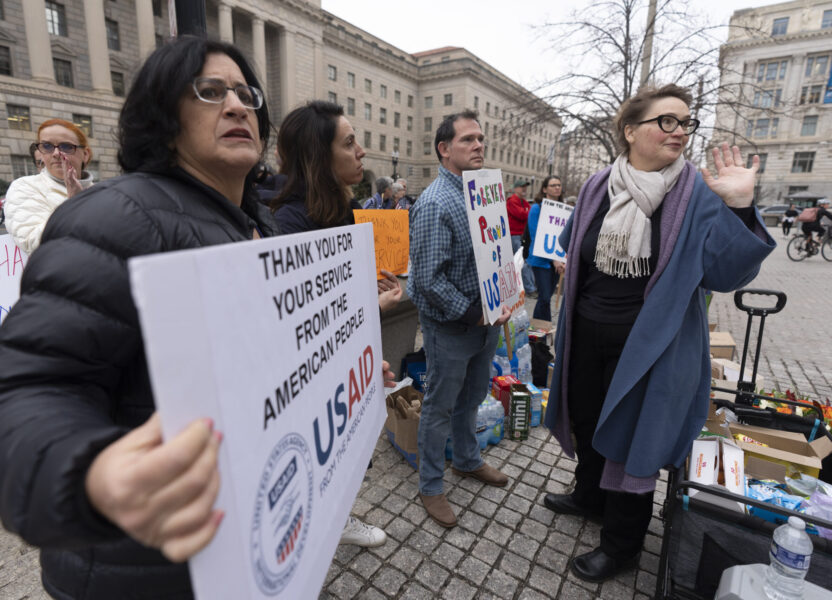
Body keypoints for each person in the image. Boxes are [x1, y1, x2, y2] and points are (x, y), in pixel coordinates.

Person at [542, 84, 774, 584]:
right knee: (585, 418)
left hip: (651, 347)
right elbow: (572, 243)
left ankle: (622, 545)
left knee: (632, 440)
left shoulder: (695, 195)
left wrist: (737, 207)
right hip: (585, 329)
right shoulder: (600, 183)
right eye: (666, 121)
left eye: (685, 123)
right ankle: (589, 497)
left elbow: (726, 275)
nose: (679, 131)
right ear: (630, 131)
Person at [271, 100, 396, 547]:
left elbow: (340, 302)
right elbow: (296, 323)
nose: (361, 152)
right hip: (307, 384)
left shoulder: (339, 210)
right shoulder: (286, 224)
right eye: (349, 143)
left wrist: (371, 299)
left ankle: (336, 519)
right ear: (318, 156)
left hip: (341, 371)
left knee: (344, 456)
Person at [408, 110, 512, 528]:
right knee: (439, 407)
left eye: (480, 139)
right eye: (468, 140)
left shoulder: (481, 192)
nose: (478, 146)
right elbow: (428, 281)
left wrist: (505, 293)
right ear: (444, 149)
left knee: (471, 399)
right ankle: (431, 486)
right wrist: (474, 313)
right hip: (452, 327)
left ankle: (467, 461)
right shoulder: (435, 203)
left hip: (484, 322)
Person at [4, 118, 94, 253]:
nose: (56, 153)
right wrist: (73, 206)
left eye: (66, 146)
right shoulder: (24, 187)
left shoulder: (102, 191)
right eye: (47, 146)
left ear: (85, 154)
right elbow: (31, 241)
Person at [527, 176, 564, 321]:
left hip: (557, 260)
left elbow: (565, 236)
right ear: (544, 189)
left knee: (546, 297)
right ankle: (542, 331)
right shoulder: (537, 208)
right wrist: (554, 259)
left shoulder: (563, 209)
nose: (557, 188)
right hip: (541, 260)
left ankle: (538, 331)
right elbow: (536, 236)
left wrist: (562, 259)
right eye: (553, 185)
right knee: (545, 297)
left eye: (559, 185)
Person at [507, 179, 537, 295]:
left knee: (524, 261)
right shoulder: (512, 201)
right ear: (515, 188)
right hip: (514, 235)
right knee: (522, 262)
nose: (524, 188)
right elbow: (522, 215)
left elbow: (528, 214)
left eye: (525, 186)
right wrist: (527, 212)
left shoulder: (524, 202)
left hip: (522, 235)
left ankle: (528, 287)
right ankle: (530, 289)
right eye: (521, 186)